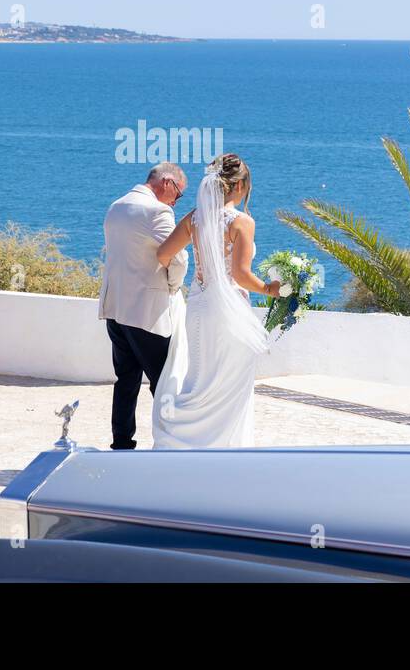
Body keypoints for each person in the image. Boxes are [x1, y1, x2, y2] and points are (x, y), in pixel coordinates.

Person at [151, 153, 282, 449]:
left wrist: (190, 270)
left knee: (199, 379)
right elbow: (241, 274)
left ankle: (182, 439)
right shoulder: (241, 222)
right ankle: (221, 445)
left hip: (197, 306)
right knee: (228, 379)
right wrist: (271, 289)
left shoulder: (194, 219)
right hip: (228, 311)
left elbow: (162, 255)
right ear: (239, 186)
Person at [98, 162, 189, 450]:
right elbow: (176, 256)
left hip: (116, 308)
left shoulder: (117, 205)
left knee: (126, 380)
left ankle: (121, 443)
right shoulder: (158, 211)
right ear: (167, 182)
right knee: (164, 382)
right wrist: (174, 287)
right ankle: (172, 442)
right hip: (147, 310)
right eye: (179, 194)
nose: (176, 201)